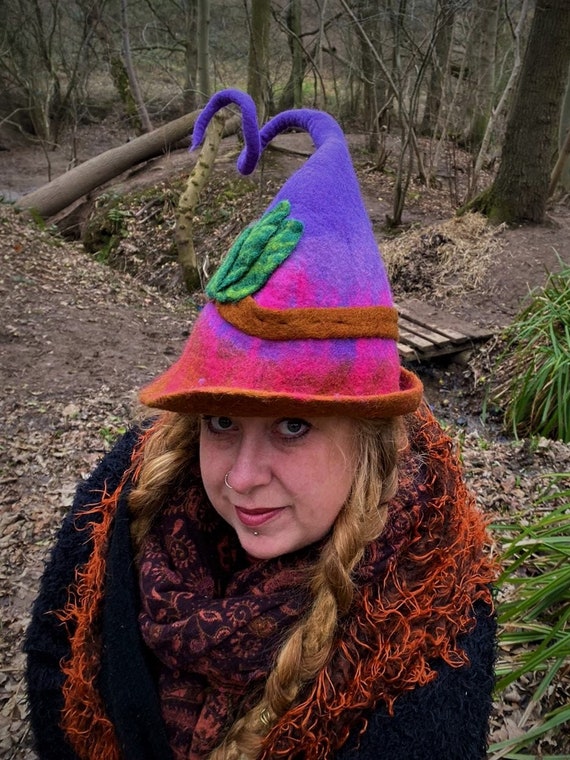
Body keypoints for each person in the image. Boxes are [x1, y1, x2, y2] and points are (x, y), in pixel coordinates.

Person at [25, 89, 497, 760]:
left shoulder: (434, 607)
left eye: (293, 426)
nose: (242, 478)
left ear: (368, 433)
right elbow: (54, 655)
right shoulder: (132, 486)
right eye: (221, 420)